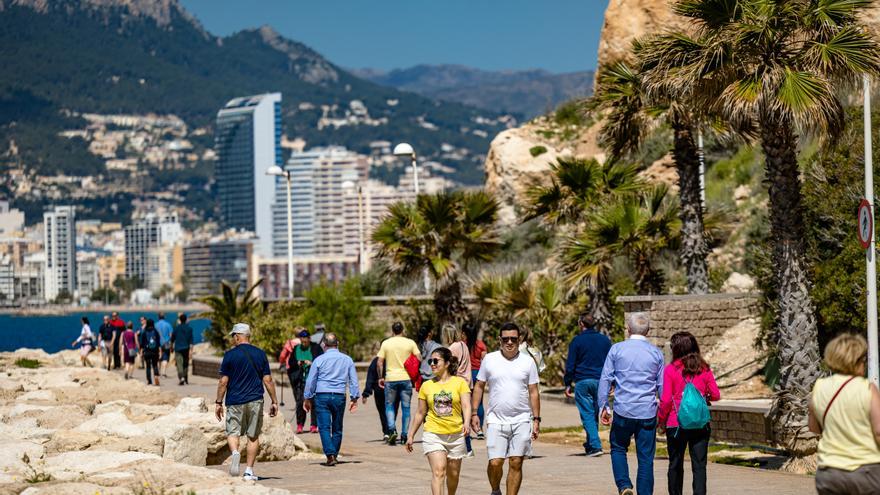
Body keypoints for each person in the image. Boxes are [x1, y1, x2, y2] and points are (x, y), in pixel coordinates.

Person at [470, 322, 541, 495]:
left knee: (516, 461)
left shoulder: (528, 362)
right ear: (499, 340)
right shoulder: (490, 359)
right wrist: (474, 413)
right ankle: (495, 489)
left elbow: (533, 391)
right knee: (495, 463)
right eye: (506, 339)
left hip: (522, 419)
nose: (510, 342)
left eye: (513, 339)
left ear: (520, 340)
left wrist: (536, 419)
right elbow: (479, 386)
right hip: (495, 419)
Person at [598, 312, 664, 495]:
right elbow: (661, 385)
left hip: (623, 409)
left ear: (628, 329)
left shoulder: (617, 349)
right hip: (647, 411)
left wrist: (603, 406)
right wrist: (664, 413)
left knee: (618, 448)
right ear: (648, 331)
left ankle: (624, 485)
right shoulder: (656, 353)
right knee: (645, 458)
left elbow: (605, 379)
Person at [808, 333, 880, 495]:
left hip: (830, 473)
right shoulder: (866, 389)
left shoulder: (819, 387)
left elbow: (814, 427)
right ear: (855, 361)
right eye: (863, 359)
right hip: (866, 471)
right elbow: (878, 431)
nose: (865, 363)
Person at [657, 332, 721, 495]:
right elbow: (716, 395)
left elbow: (665, 400)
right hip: (700, 423)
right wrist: (703, 395)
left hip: (676, 423)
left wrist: (661, 421)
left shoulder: (670, 370)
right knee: (699, 465)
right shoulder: (704, 368)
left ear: (677, 349)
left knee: (675, 464)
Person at [214, 323, 279, 482]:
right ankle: (249, 471)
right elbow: (268, 380)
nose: (232, 339)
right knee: (253, 436)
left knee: (232, 432)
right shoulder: (260, 354)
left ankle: (235, 452)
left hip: (235, 400)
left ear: (237, 336)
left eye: (233, 336)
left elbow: (223, 381)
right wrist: (274, 401)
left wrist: (218, 402)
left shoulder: (229, 355)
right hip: (255, 400)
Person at [406, 347, 472, 495]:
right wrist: (411, 435)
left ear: (447, 363)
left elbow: (467, 405)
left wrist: (466, 422)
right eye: (430, 361)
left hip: (456, 434)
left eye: (436, 361)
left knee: (453, 475)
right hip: (433, 434)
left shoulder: (460, 383)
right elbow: (420, 413)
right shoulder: (427, 385)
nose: (432, 364)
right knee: (439, 471)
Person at [303, 333, 360, 466]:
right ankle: (333, 453)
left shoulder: (319, 360)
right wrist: (354, 397)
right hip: (339, 395)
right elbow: (353, 381)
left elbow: (311, 381)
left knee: (323, 427)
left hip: (322, 395)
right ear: (337, 344)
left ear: (324, 344)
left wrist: (307, 398)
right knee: (337, 427)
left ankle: (330, 455)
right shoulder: (347, 359)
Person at [564, 313, 612, 456]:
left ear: (581, 324)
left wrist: (567, 383)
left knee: (587, 414)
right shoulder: (605, 340)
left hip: (583, 381)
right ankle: (590, 444)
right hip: (601, 382)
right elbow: (611, 363)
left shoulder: (577, 341)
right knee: (594, 414)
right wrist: (613, 382)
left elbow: (570, 364)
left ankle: (596, 446)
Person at [377, 321, 420, 446]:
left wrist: (381, 377)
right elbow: (419, 358)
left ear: (392, 330)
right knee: (406, 408)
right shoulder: (410, 342)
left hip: (390, 379)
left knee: (389, 405)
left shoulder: (386, 343)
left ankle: (391, 429)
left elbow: (379, 362)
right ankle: (404, 435)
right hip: (406, 378)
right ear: (403, 330)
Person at [443, 323, 474, 456]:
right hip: (467, 383)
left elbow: (450, 368)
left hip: (457, 384)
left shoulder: (452, 348)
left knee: (456, 417)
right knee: (464, 415)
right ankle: (467, 447)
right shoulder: (464, 345)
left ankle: (464, 447)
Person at [287, 328, 323, 434]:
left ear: (309, 339)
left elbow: (321, 361)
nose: (304, 343)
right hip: (301, 380)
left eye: (305, 340)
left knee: (314, 402)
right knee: (300, 402)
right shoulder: (296, 349)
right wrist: (298, 363)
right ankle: (300, 425)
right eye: (302, 340)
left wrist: (311, 363)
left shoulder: (316, 348)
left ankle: (314, 425)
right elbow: (290, 363)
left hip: (314, 381)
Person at [465, 321, 488, 438]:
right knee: (479, 403)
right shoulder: (480, 345)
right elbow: (485, 361)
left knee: (466, 402)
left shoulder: (463, 344)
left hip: (466, 374)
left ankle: (467, 427)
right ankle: (479, 429)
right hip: (478, 373)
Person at [363, 355, 392, 441]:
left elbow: (370, 377)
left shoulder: (376, 360)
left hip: (379, 389)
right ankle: (390, 430)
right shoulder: (394, 359)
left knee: (383, 412)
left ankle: (387, 432)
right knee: (391, 409)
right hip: (391, 388)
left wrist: (366, 393)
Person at [171, 313, 194, 385]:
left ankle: (181, 378)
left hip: (178, 348)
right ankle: (186, 379)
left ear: (180, 320)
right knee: (185, 363)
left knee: (179, 363)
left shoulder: (176, 328)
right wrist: (191, 350)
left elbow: (172, 338)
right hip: (186, 348)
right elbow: (191, 340)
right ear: (186, 320)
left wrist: (171, 346)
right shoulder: (189, 329)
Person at [139, 318, 162, 386]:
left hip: (147, 351)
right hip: (155, 351)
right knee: (155, 365)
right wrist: (160, 351)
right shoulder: (155, 331)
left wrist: (141, 351)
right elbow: (158, 342)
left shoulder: (144, 332)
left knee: (148, 366)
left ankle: (149, 381)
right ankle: (156, 376)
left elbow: (142, 343)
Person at [155, 312, 174, 378]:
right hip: (166, 343)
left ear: (158, 317)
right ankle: (163, 373)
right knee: (165, 358)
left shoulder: (155, 325)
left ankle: (158, 372)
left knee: (158, 358)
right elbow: (171, 335)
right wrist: (171, 344)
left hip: (157, 344)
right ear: (164, 317)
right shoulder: (168, 324)